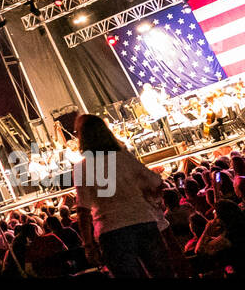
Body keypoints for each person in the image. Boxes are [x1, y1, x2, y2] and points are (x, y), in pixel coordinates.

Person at [73, 113, 175, 278]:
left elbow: (83, 210)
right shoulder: (124, 156)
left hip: (112, 230)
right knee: (162, 273)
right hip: (143, 220)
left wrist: (88, 245)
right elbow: (156, 182)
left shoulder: (82, 168)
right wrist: (150, 201)